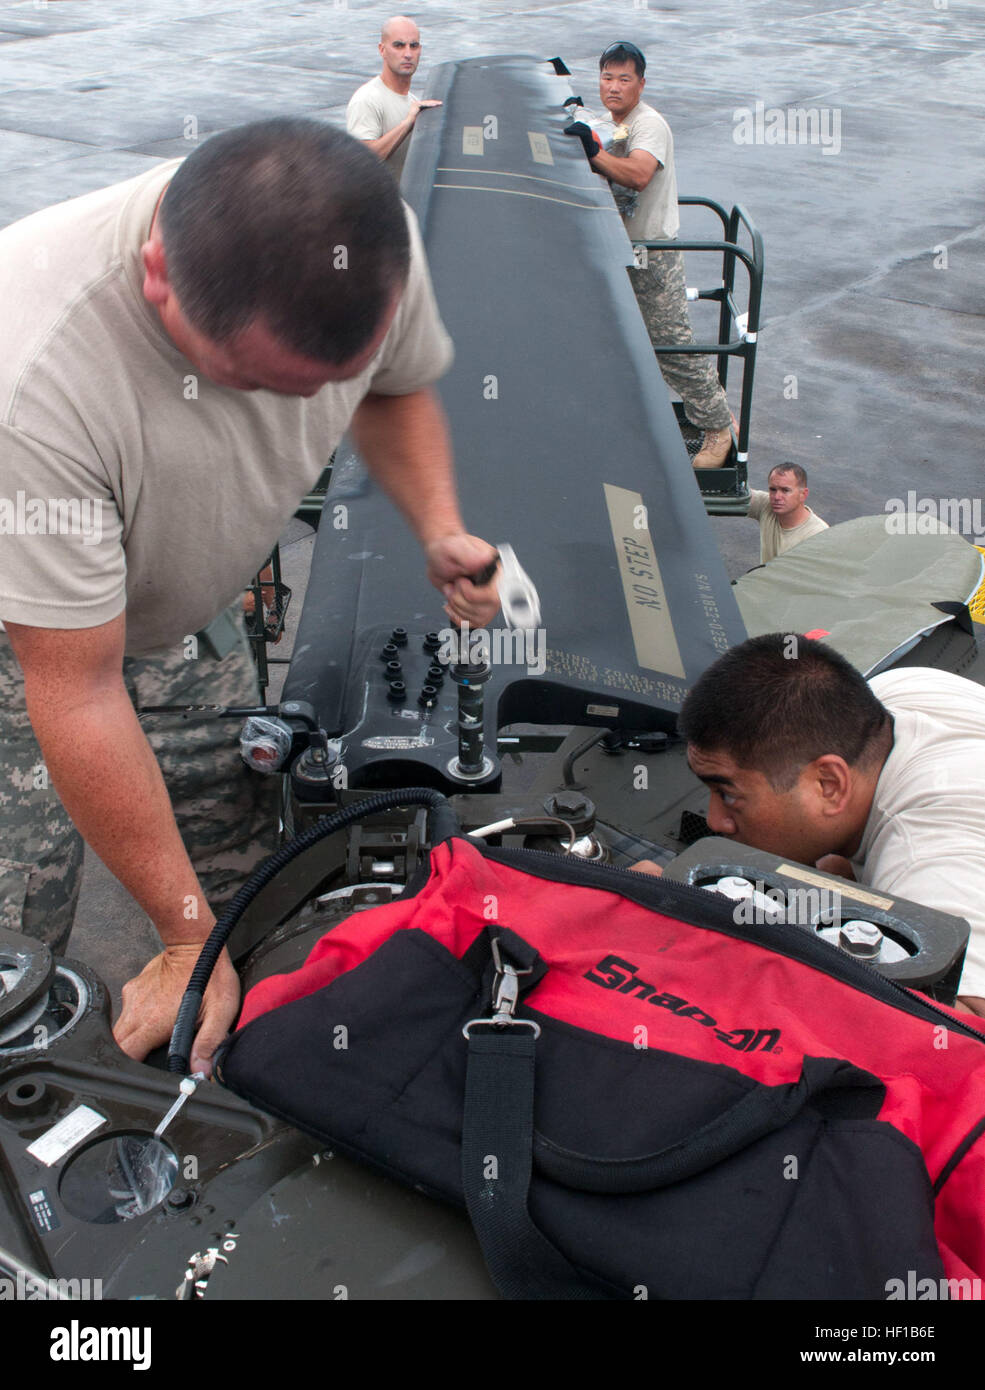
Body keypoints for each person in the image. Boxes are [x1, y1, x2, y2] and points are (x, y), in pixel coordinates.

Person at [0, 117, 499, 1073]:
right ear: (158, 275)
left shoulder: (360, 243)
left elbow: (393, 389)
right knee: (21, 935)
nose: (290, 414)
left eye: (317, 391)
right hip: (31, 639)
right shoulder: (35, 379)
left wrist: (437, 526)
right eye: (253, 384)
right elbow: (74, 691)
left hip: (184, 620)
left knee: (244, 894)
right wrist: (183, 938)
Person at [675, 633, 985, 1015]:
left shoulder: (926, 861)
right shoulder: (903, 690)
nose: (714, 820)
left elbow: (966, 1026)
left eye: (729, 795)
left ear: (829, 784)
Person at [564, 41, 735, 469]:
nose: (614, 87)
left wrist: (593, 152)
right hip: (615, 249)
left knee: (669, 344)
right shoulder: (606, 121)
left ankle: (717, 428)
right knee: (619, 342)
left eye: (624, 79)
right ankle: (646, 417)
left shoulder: (649, 124)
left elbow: (639, 174)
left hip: (650, 253)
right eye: (607, 78)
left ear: (641, 83)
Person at [346, 15, 442, 181]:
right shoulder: (367, 99)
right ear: (382, 50)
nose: (408, 54)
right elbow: (363, 160)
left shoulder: (413, 103)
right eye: (399, 45)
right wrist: (407, 124)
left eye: (414, 46)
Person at [747, 463, 828, 564]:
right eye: (773, 489)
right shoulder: (766, 505)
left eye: (785, 490)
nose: (777, 497)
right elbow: (733, 493)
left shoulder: (818, 535)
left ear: (803, 494)